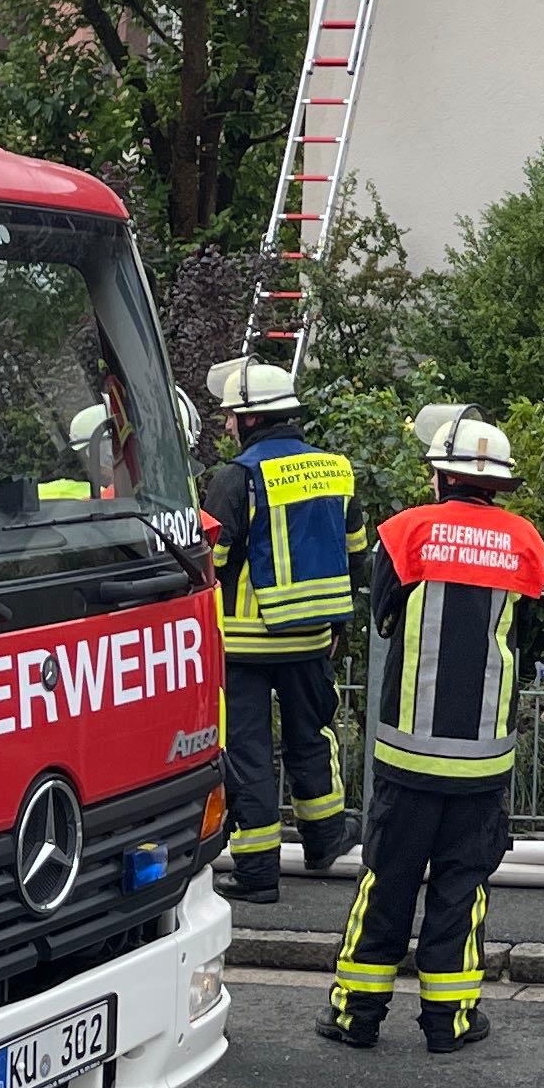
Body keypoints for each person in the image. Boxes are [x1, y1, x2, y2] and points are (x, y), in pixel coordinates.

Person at [323, 413, 544, 1056]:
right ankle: (448, 1022)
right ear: (498, 485)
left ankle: (355, 1017)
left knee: (386, 884)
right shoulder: (526, 543)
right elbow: (524, 643)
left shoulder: (402, 534)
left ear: (440, 473)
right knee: (461, 888)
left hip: (406, 755)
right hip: (483, 758)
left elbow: (384, 617)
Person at [201, 354, 355, 900]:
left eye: (230, 416)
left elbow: (210, 561)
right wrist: (339, 621)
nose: (225, 426)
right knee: (311, 738)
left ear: (252, 419)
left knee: (247, 754)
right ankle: (324, 841)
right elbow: (354, 554)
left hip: (244, 641)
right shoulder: (335, 469)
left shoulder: (236, 478)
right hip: (314, 637)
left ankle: (259, 875)